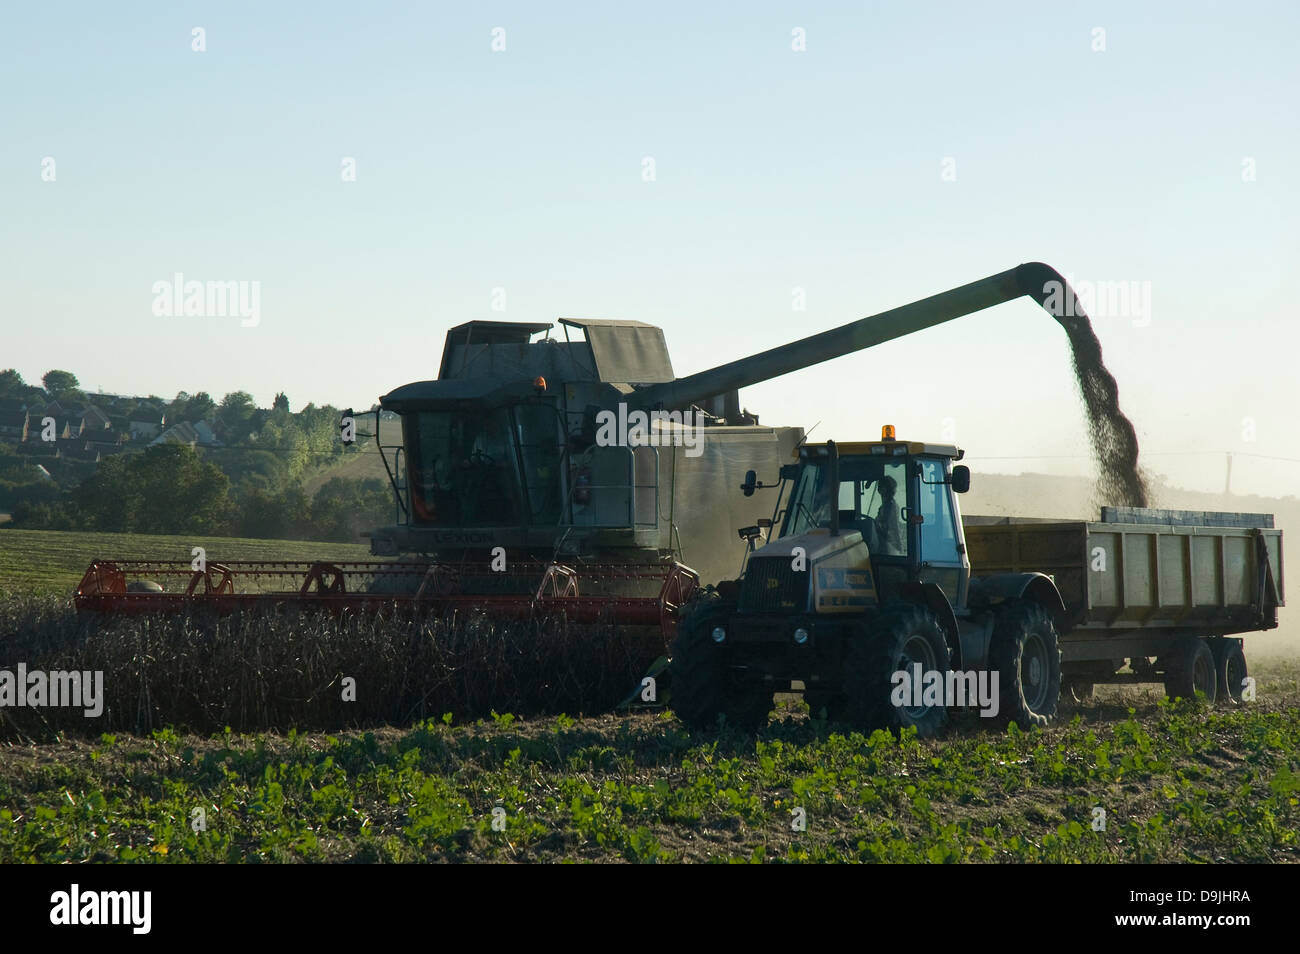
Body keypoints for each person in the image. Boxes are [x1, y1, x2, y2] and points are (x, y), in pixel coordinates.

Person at [874, 475, 905, 555]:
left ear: (883, 490)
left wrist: (899, 546)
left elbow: (892, 527)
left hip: (888, 546)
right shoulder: (885, 506)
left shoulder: (890, 506)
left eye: (880, 487)